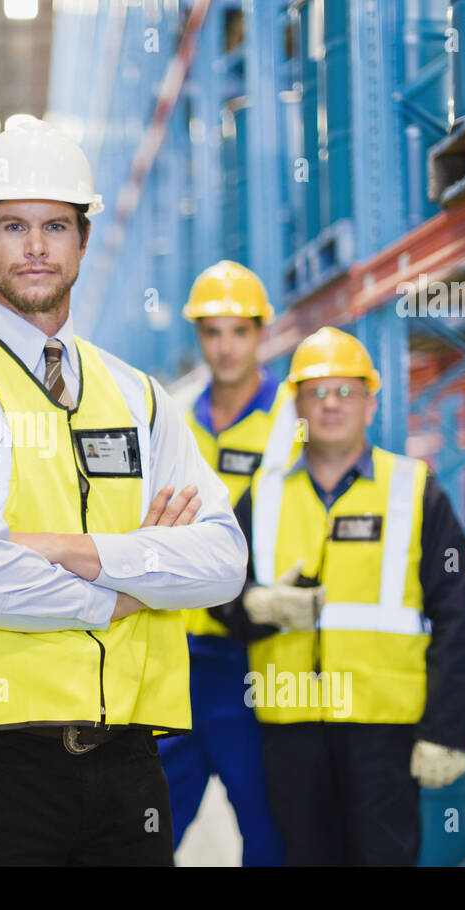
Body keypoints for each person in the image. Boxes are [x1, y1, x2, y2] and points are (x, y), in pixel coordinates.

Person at [0, 117, 248, 866]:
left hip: (126, 766)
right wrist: (136, 584)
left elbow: (222, 564)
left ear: (84, 240)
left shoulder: (139, 396)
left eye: (56, 225)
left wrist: (64, 550)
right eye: (13, 225)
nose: (36, 246)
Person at [217, 326, 465, 866]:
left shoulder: (414, 489)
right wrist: (254, 606)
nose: (331, 403)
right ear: (297, 404)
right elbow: (217, 594)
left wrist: (447, 732)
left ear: (371, 402)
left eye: (346, 390)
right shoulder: (261, 497)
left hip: (383, 730)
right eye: (317, 391)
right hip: (292, 728)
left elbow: (455, 617)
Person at [160, 260, 297, 864]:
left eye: (238, 331)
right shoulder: (177, 420)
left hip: (254, 661)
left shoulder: (294, 422)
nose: (224, 347)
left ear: (261, 332)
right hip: (177, 658)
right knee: (149, 825)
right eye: (212, 332)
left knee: (265, 826)